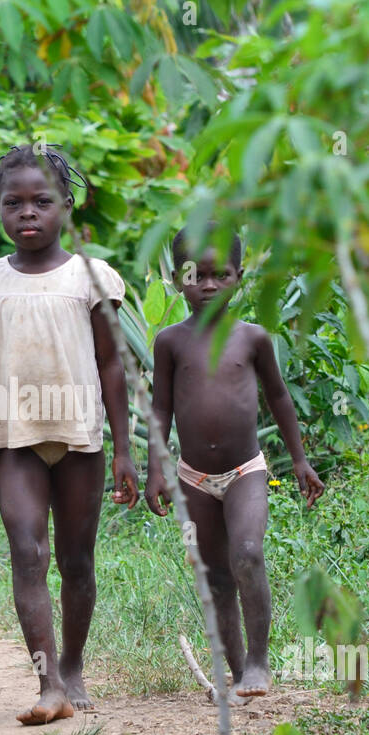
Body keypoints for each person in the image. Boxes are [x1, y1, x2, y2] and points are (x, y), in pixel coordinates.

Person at [0, 144, 139, 726]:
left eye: (41, 202)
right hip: (15, 436)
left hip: (77, 436)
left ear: (67, 206)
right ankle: (47, 684)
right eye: (12, 203)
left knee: (76, 560)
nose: (27, 214)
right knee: (27, 552)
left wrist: (123, 447)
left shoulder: (91, 276)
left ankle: (72, 665)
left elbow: (112, 362)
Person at [145, 225, 325, 698]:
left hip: (247, 470)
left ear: (238, 277)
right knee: (217, 575)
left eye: (219, 275)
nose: (207, 285)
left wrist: (300, 460)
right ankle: (234, 669)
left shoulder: (254, 339)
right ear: (176, 277)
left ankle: (259, 662)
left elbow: (280, 399)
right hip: (191, 476)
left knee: (246, 554)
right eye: (195, 275)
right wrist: (156, 469)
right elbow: (160, 408)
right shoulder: (170, 342)